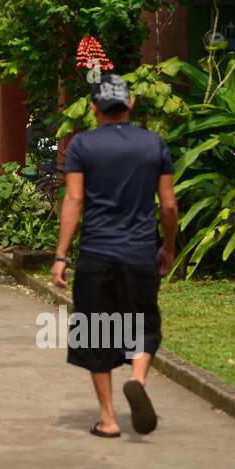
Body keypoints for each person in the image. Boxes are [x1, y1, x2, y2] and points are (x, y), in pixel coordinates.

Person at [51, 73, 178, 439]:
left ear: (94, 109)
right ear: (130, 105)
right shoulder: (153, 144)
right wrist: (168, 246)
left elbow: (74, 199)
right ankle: (137, 379)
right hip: (140, 255)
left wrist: (61, 255)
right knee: (142, 326)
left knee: (97, 334)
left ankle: (108, 420)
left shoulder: (82, 146)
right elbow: (168, 205)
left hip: (96, 256)